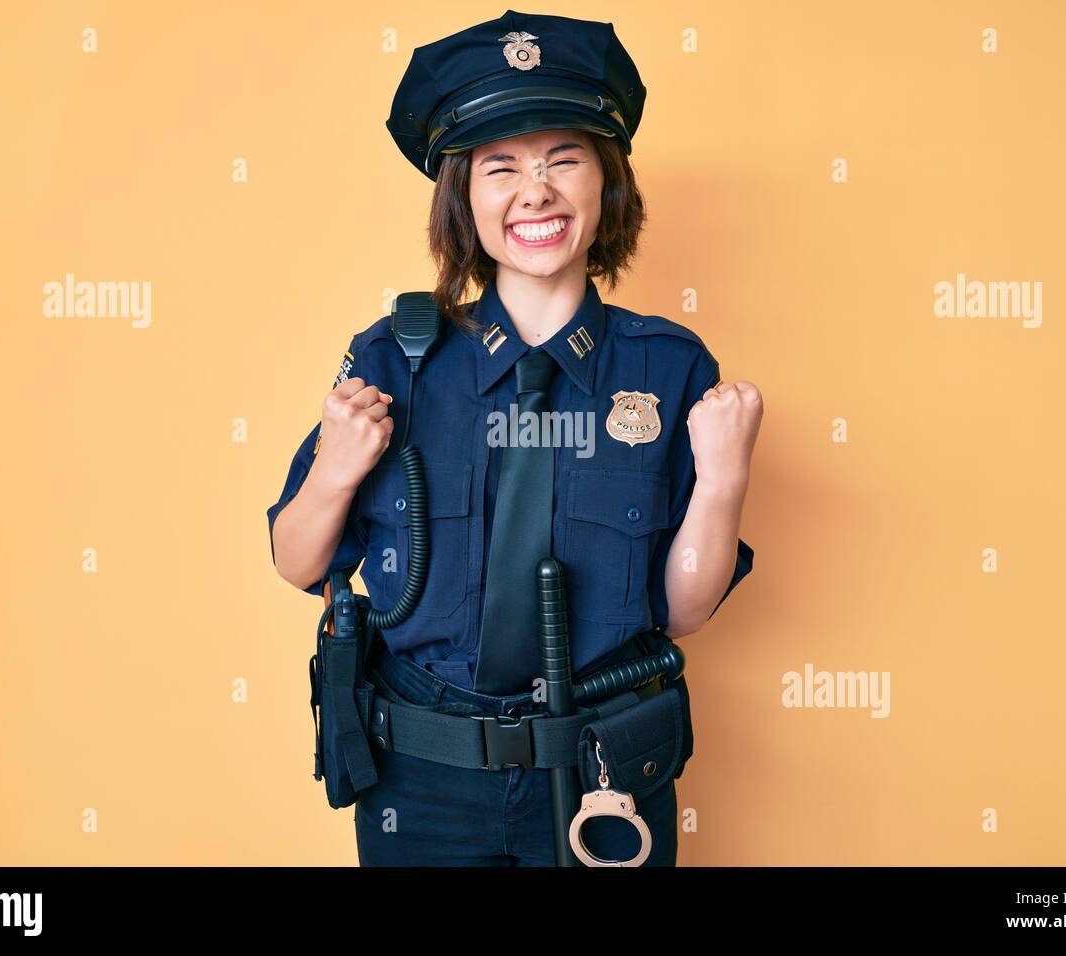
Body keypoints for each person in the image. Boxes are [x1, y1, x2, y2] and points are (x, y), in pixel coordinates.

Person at [267, 9, 762, 866]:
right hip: (422, 780)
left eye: (562, 160)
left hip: (606, 772)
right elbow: (296, 560)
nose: (535, 191)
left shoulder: (671, 367)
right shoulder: (394, 358)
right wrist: (335, 473)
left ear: (607, 187)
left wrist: (722, 481)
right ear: (462, 198)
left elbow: (683, 616)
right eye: (501, 168)